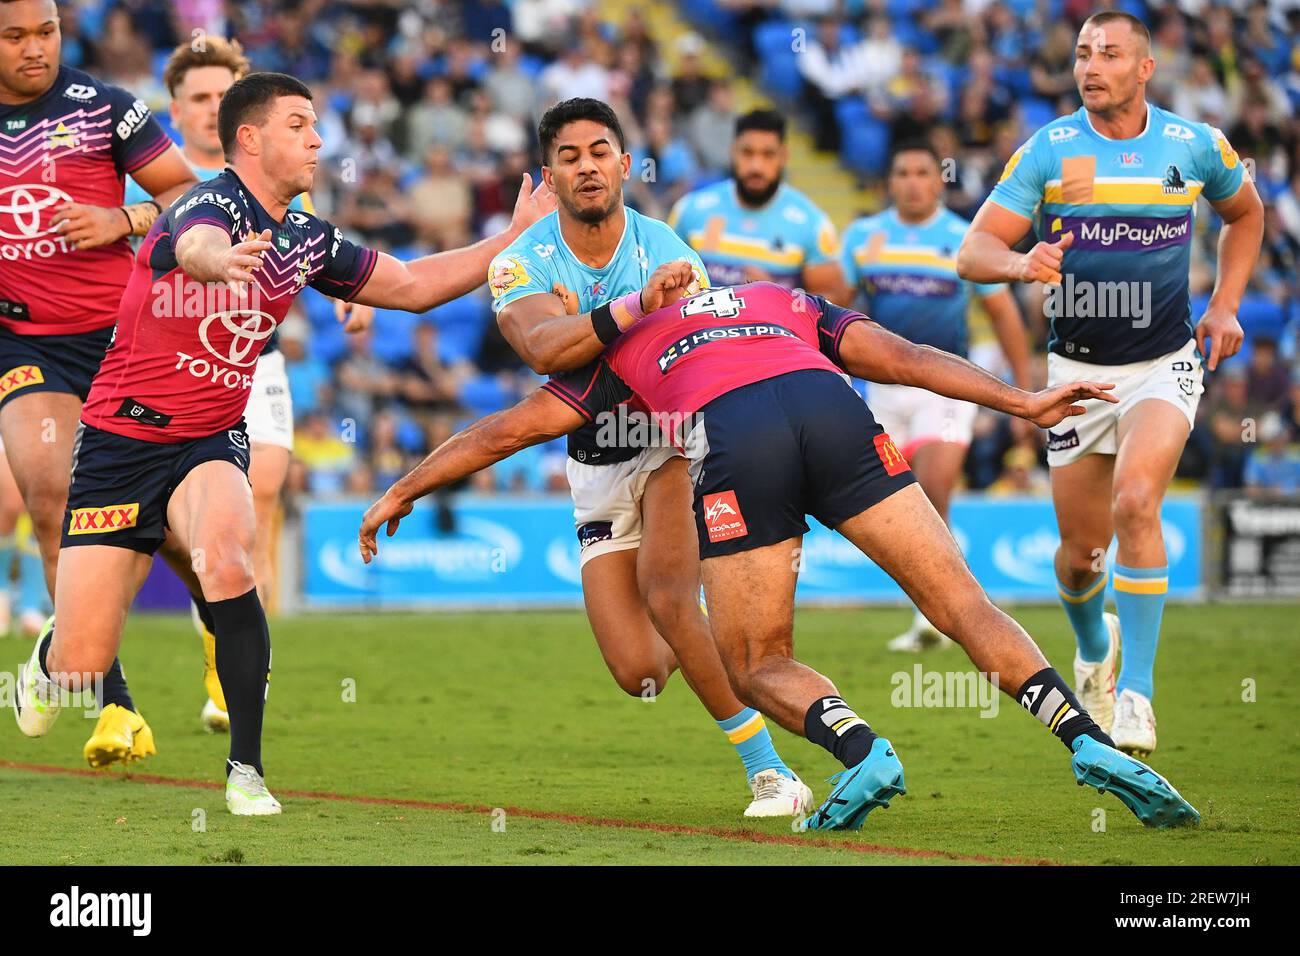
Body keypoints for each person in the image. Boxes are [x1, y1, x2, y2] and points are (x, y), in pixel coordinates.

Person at [360, 271, 1200, 832]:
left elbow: (508, 430)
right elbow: (902, 357)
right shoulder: (779, 297)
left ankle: (862, 750)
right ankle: (1085, 737)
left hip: (739, 437)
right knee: (962, 604)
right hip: (830, 407)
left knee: (756, 659)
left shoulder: (621, 341)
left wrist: (403, 488)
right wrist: (1022, 401)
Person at [12, 71, 556, 815]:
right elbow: (196, 242)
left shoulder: (305, 237)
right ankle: (49, 656)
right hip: (119, 442)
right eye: (300, 125)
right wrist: (218, 261)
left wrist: (516, 237)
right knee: (82, 664)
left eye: (316, 125)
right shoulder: (205, 203)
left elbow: (413, 284)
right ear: (250, 137)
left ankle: (246, 770)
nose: (318, 139)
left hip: (208, 437)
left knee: (232, 558)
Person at [488, 97, 810, 818]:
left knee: (667, 591)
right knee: (641, 673)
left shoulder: (667, 247)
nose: (587, 167)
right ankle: (712, 637)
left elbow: (683, 356)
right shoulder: (517, 261)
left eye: (599, 152)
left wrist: (586, 327)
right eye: (568, 158)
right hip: (594, 467)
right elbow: (543, 347)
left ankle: (770, 773)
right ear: (550, 174)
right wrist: (622, 315)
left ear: (625, 164)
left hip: (668, 442)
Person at [957, 10, 1263, 754]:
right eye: (1084, 54)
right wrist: (1020, 262)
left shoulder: (1194, 146)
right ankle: (1096, 647)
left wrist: (1223, 305)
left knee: (1136, 502)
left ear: (1145, 68)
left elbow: (1245, 214)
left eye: (1110, 54)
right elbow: (972, 252)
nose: (1091, 67)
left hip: (1164, 362)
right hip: (1075, 374)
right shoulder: (1049, 151)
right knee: (1078, 557)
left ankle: (1138, 696)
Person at [0, 0, 199, 766]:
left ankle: (66, 659)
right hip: (26, 345)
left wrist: (124, 216)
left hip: (124, 342)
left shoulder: (105, 110)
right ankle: (112, 703)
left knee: (155, 529)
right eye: (14, 36)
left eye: (44, 32)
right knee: (53, 495)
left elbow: (188, 195)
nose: (33, 49)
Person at [841, 140, 1033, 651]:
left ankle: (942, 616)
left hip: (944, 385)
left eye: (921, 171)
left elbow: (1003, 314)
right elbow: (831, 307)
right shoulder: (863, 238)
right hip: (878, 390)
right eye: (901, 170)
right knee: (899, 507)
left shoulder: (963, 239)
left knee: (935, 486)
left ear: (938, 180)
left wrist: (1022, 394)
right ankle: (935, 605)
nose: (911, 181)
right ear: (890, 180)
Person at [668, 109, 849, 303]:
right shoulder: (690, 210)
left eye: (768, 154)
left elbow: (835, 299)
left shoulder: (811, 223)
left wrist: (779, 296)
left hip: (775, 333)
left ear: (783, 157)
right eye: (747, 153)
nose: (756, 166)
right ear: (733, 152)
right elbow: (662, 283)